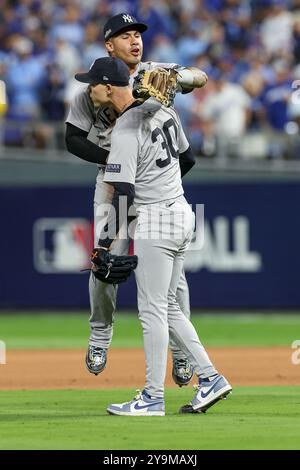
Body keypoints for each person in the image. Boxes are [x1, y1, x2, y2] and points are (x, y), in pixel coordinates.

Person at [75, 56, 232, 416]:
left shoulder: (125, 129)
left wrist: (102, 244)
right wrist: (162, 187)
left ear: (110, 87)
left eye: (94, 82)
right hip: (181, 213)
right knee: (170, 307)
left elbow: (125, 196)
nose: (90, 88)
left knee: (152, 312)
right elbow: (187, 159)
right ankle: (210, 379)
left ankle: (151, 396)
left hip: (155, 221)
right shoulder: (163, 111)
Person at [65, 13, 208, 387]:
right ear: (109, 44)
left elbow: (201, 77)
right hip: (113, 185)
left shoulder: (155, 73)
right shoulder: (93, 86)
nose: (135, 40)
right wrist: (115, 163)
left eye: (137, 34)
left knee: (172, 282)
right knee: (104, 260)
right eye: (124, 35)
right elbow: (72, 138)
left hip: (155, 189)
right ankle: (100, 334)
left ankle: (181, 352)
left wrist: (183, 78)